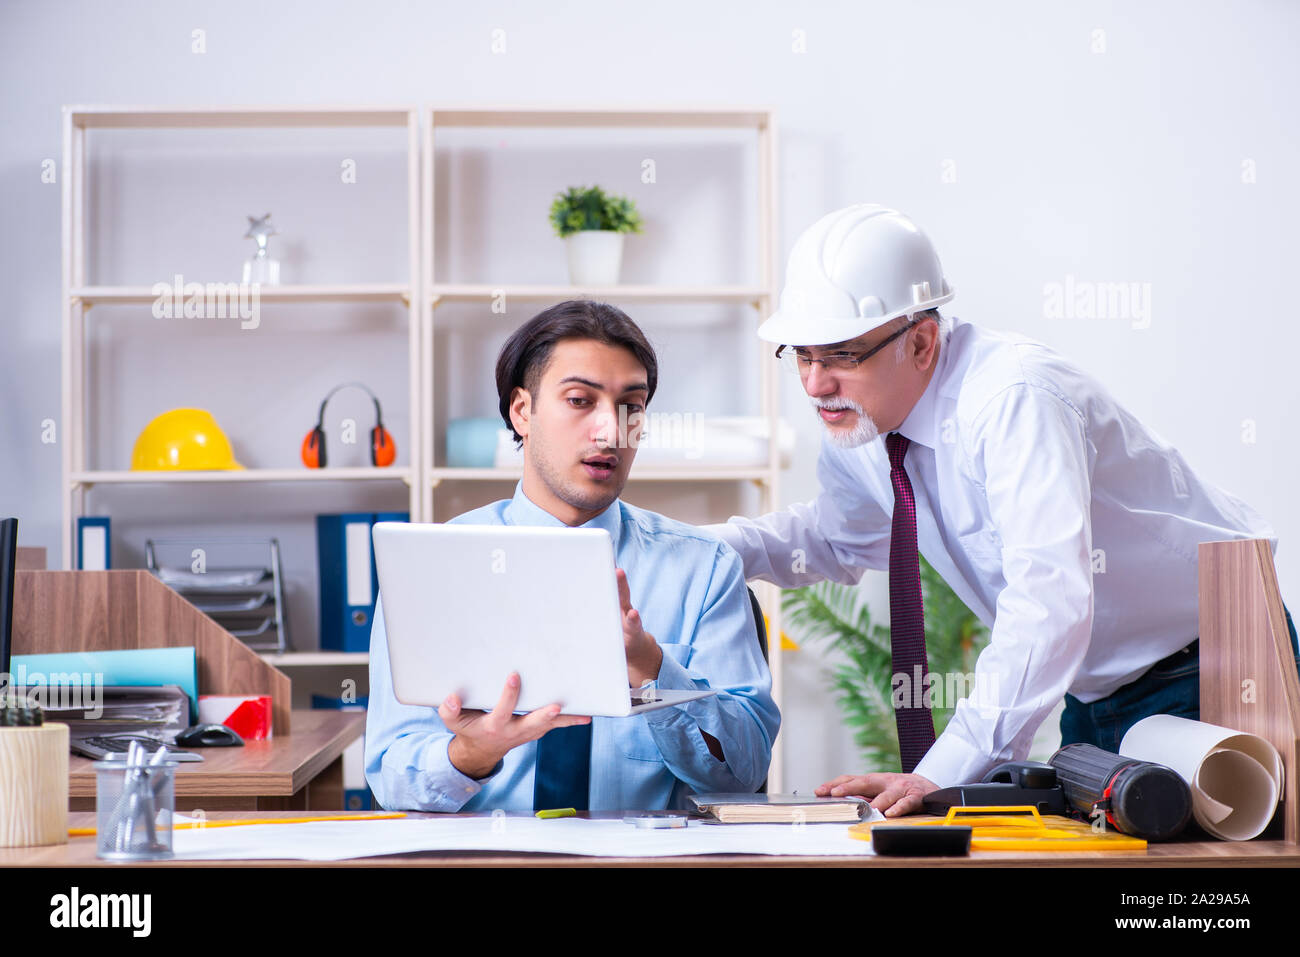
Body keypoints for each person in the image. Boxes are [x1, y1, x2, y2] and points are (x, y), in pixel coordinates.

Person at [704, 203, 1297, 817]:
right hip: (1094, 693)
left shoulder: (1014, 399)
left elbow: (1050, 601)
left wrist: (939, 774)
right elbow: (837, 538)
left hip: (1211, 667)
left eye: (841, 356)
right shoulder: (862, 426)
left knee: (1209, 886)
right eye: (802, 355)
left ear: (923, 342)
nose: (814, 385)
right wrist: (690, 548)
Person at [365, 299, 779, 812]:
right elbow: (390, 773)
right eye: (581, 400)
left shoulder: (704, 568)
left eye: (631, 405)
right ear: (522, 412)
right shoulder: (430, 569)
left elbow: (744, 774)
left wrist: (651, 668)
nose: (610, 430)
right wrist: (469, 755)